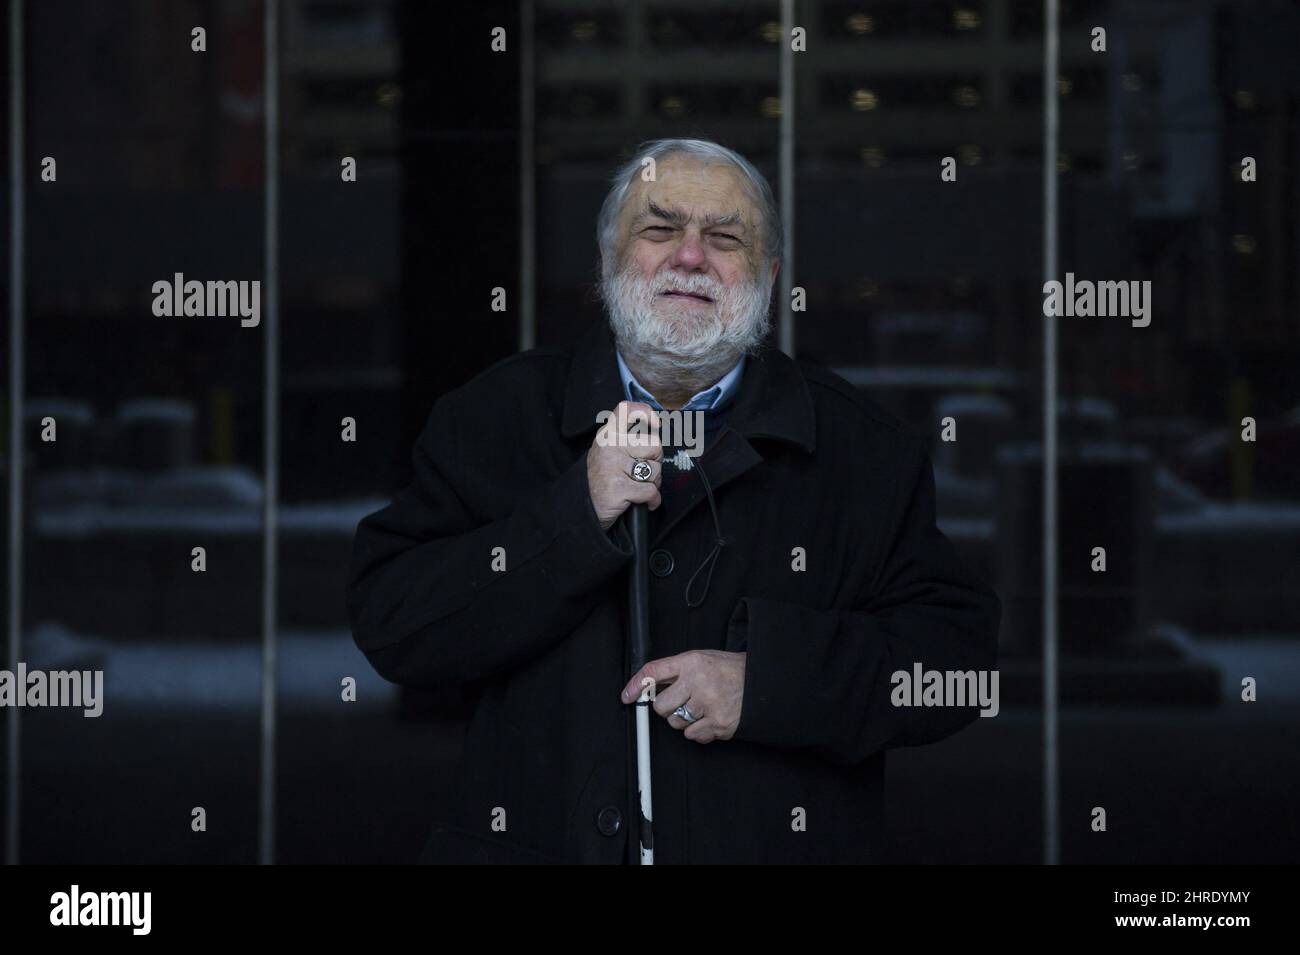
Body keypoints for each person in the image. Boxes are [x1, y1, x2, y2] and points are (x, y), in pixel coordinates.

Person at [347, 138, 1000, 863]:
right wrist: (574, 514)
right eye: (660, 230)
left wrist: (770, 682)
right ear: (606, 261)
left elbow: (953, 670)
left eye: (726, 238)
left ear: (770, 275)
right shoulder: (492, 418)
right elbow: (391, 621)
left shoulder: (864, 450)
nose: (691, 257)